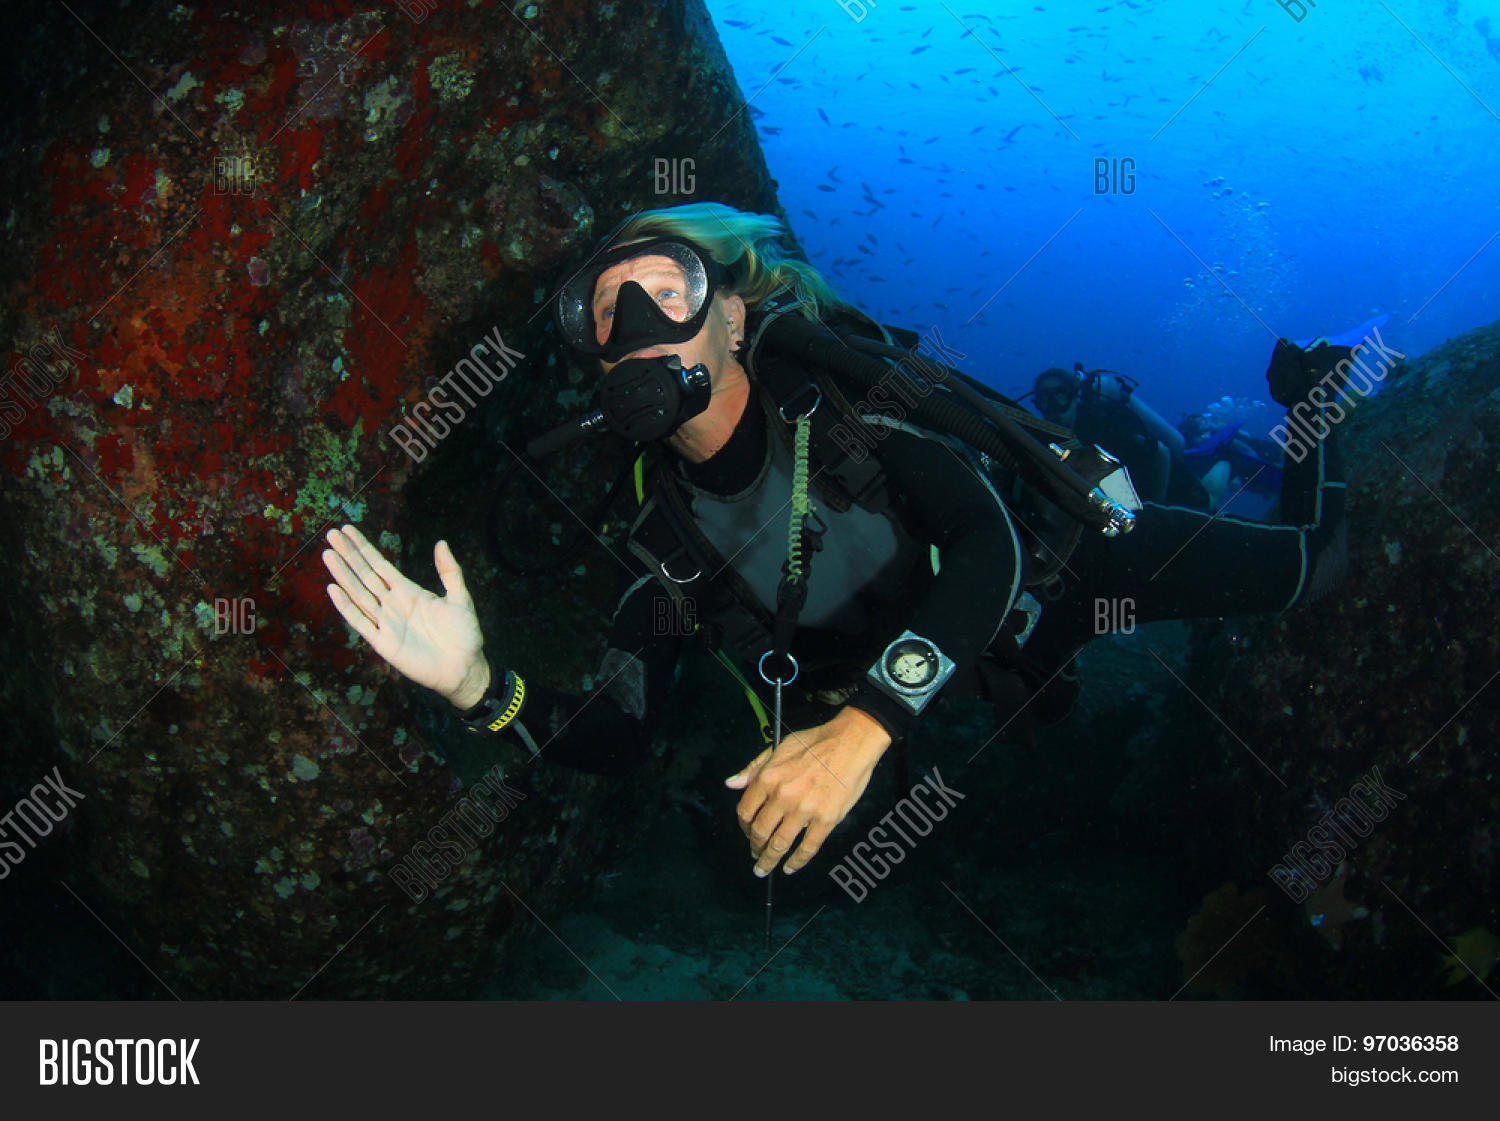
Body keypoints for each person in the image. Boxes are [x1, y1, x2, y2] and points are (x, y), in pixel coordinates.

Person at [321, 201, 1355, 881]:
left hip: (1059, 569)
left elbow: (985, 542)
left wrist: (864, 728)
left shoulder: (841, 394)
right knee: (793, 867)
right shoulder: (662, 533)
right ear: (595, 363)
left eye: (668, 290)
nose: (636, 318)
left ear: (735, 316)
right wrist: (479, 688)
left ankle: (1319, 405)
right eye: (606, 308)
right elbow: (622, 730)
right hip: (954, 675)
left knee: (1314, 564)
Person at [1030, 364, 1210, 508]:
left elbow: (1161, 452)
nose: (1052, 408)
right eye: (1044, 401)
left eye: (1059, 398)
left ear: (1074, 396)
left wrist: (1154, 509)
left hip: (1173, 486)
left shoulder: (1103, 425)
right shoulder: (1054, 437)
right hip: (1134, 494)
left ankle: (1226, 454)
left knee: (1210, 499)